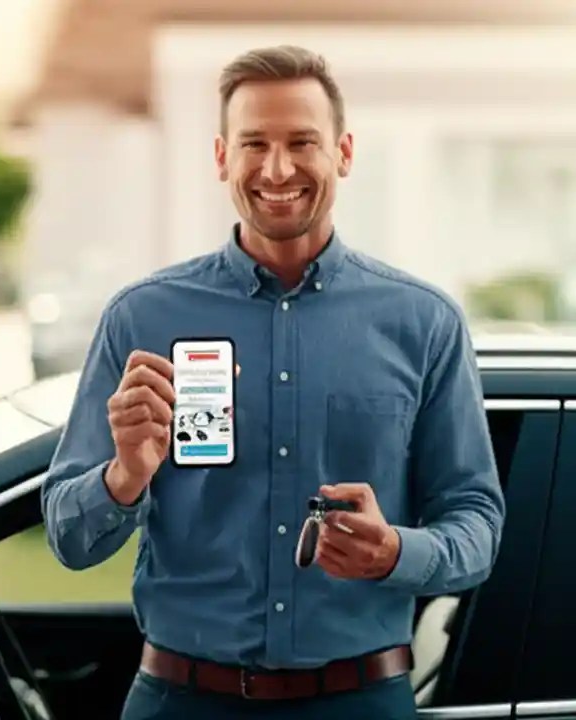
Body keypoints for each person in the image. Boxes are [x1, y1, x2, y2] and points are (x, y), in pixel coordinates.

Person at [40, 45, 505, 720]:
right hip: (181, 701)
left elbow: (478, 525)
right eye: (254, 142)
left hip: (361, 701)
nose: (277, 168)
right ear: (222, 156)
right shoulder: (142, 318)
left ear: (343, 153)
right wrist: (125, 477)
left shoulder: (422, 322)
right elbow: (68, 538)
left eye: (302, 142)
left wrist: (395, 552)